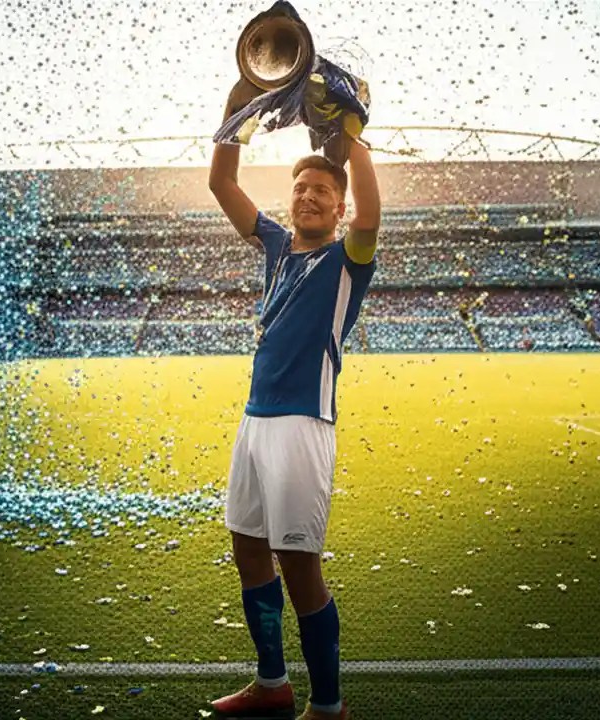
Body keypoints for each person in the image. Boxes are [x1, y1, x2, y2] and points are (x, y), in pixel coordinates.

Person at [205, 75, 380, 720]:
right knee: (248, 547)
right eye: (301, 188)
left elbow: (372, 215)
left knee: (300, 566)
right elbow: (223, 184)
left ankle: (329, 707)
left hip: (303, 424)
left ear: (336, 209)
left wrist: (350, 139)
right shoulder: (278, 248)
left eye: (321, 192)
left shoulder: (349, 260)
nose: (308, 196)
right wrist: (236, 109)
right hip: (255, 422)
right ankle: (273, 684)